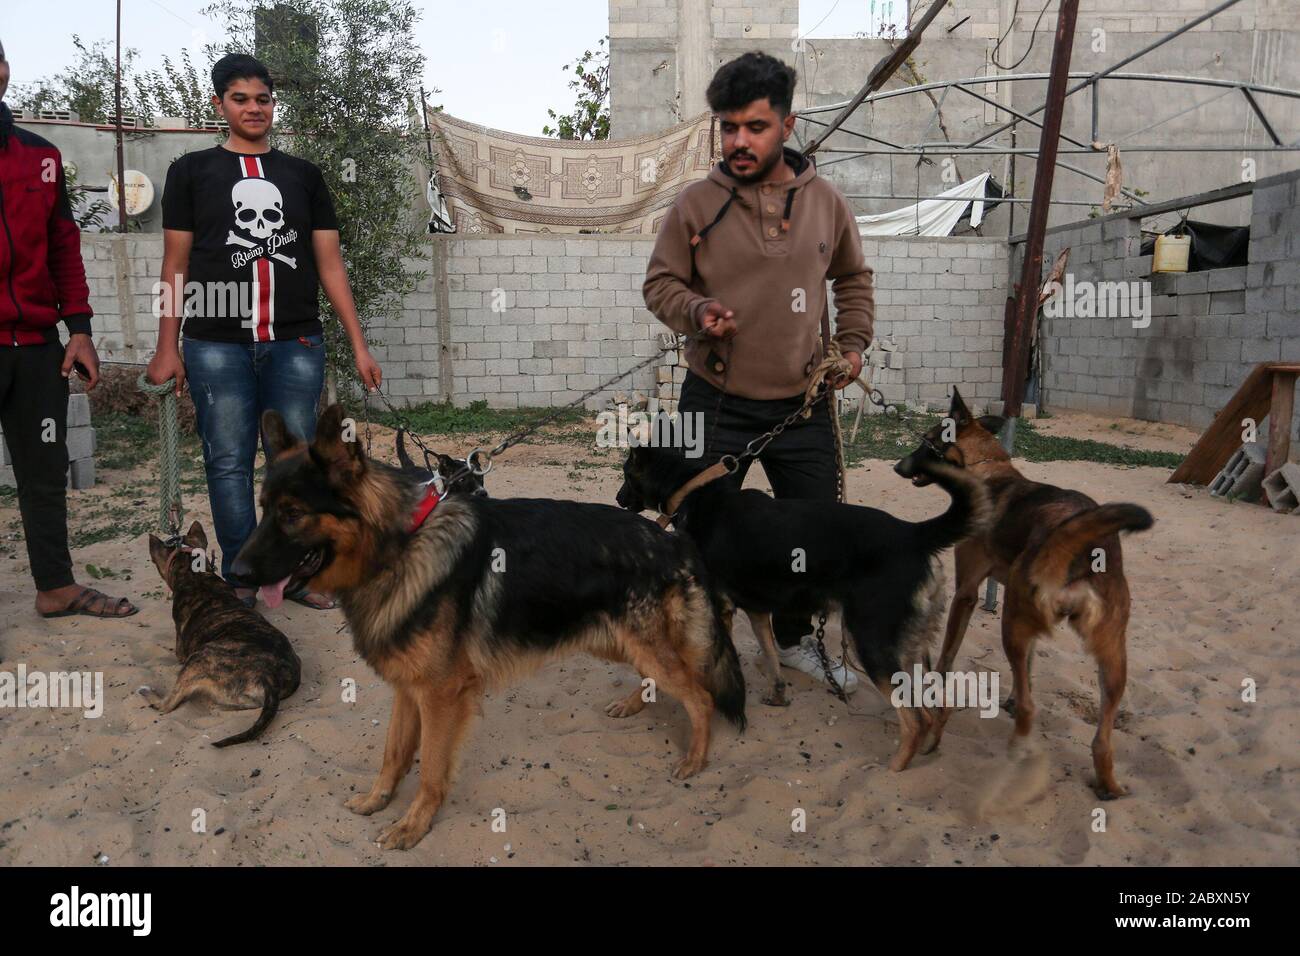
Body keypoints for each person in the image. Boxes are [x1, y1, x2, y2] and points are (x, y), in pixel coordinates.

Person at [643, 52, 876, 692]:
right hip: (714, 401)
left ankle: (799, 641)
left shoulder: (826, 204)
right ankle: (694, 647)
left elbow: (853, 278)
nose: (738, 141)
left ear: (788, 125)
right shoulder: (696, 205)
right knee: (694, 531)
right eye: (727, 127)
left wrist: (852, 347)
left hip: (803, 406)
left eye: (754, 126)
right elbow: (660, 283)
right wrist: (696, 311)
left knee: (812, 527)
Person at [146, 53, 381, 609]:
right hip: (214, 346)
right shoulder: (190, 171)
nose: (254, 108)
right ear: (219, 104)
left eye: (263, 98)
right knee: (227, 461)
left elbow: (330, 265)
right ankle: (242, 576)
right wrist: (166, 345)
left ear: (274, 103)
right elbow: (174, 264)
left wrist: (358, 343)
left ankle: (294, 574)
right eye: (240, 99)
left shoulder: (303, 176)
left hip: (294, 344)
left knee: (296, 467)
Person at [0, 38, 137, 619]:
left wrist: (79, 328)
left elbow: (63, 247)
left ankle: (55, 587)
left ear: (4, 71)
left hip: (35, 348)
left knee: (46, 471)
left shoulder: (42, 157)